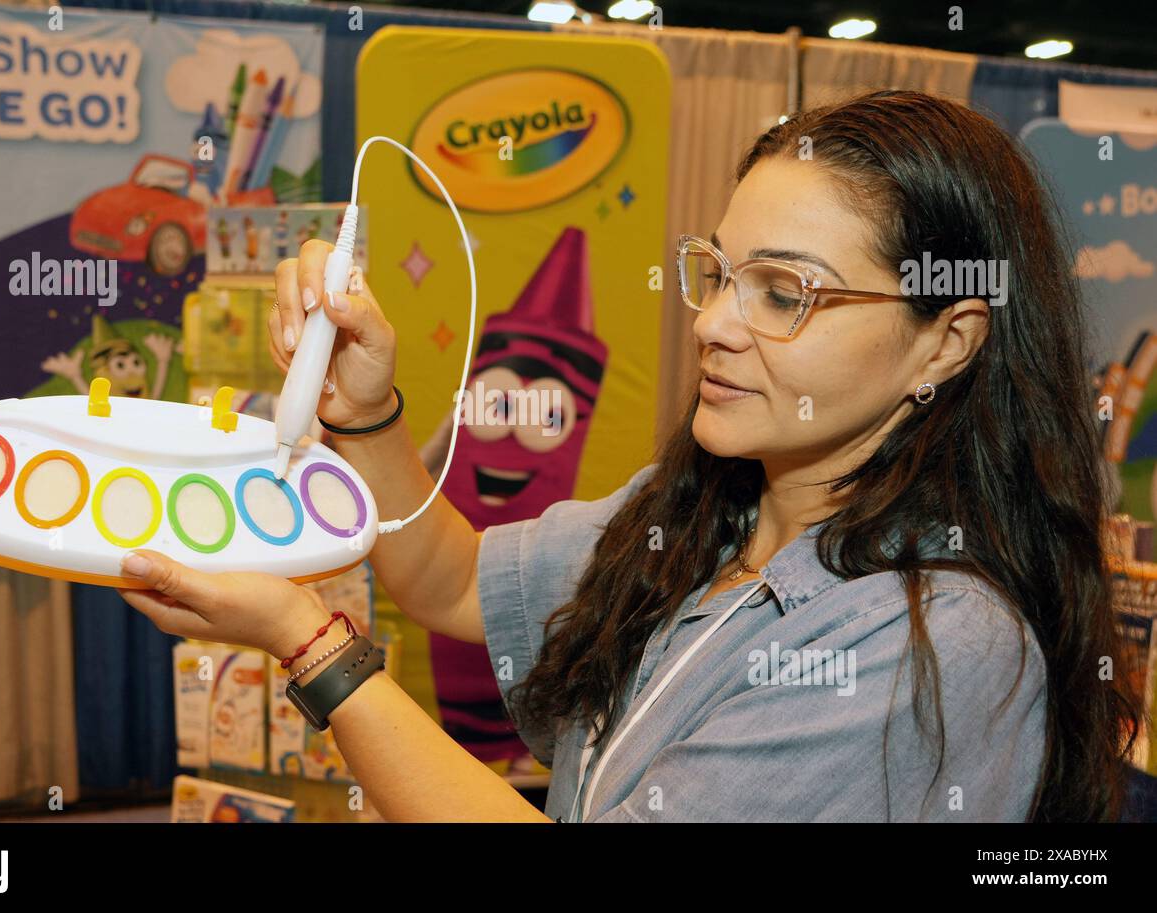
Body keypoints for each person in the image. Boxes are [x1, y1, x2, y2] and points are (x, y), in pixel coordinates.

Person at [119, 90, 1140, 822]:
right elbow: (449, 575)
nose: (714, 324)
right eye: (718, 272)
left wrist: (310, 646)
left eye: (783, 293)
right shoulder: (710, 511)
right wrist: (367, 410)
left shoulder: (931, 635)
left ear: (946, 340)